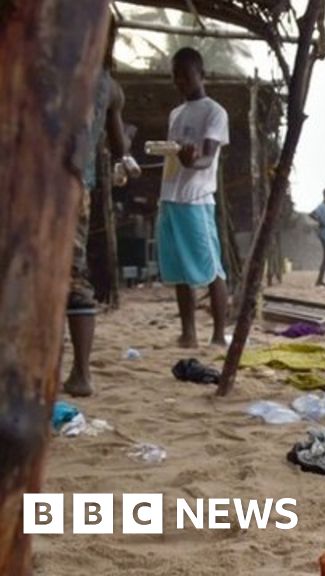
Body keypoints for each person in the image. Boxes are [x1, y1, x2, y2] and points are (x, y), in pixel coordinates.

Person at [64, 18, 140, 397]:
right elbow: (119, 145)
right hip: (77, 185)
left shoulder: (51, 66)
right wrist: (126, 149)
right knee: (72, 275)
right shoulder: (109, 87)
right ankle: (80, 373)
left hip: (35, 184)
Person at [157, 47, 231, 348]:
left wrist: (193, 161)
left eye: (186, 76)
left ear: (202, 75)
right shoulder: (176, 114)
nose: (180, 82)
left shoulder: (215, 112)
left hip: (196, 200)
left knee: (212, 268)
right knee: (179, 270)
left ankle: (218, 335)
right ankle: (188, 333)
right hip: (170, 198)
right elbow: (174, 154)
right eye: (176, 76)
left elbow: (208, 157)